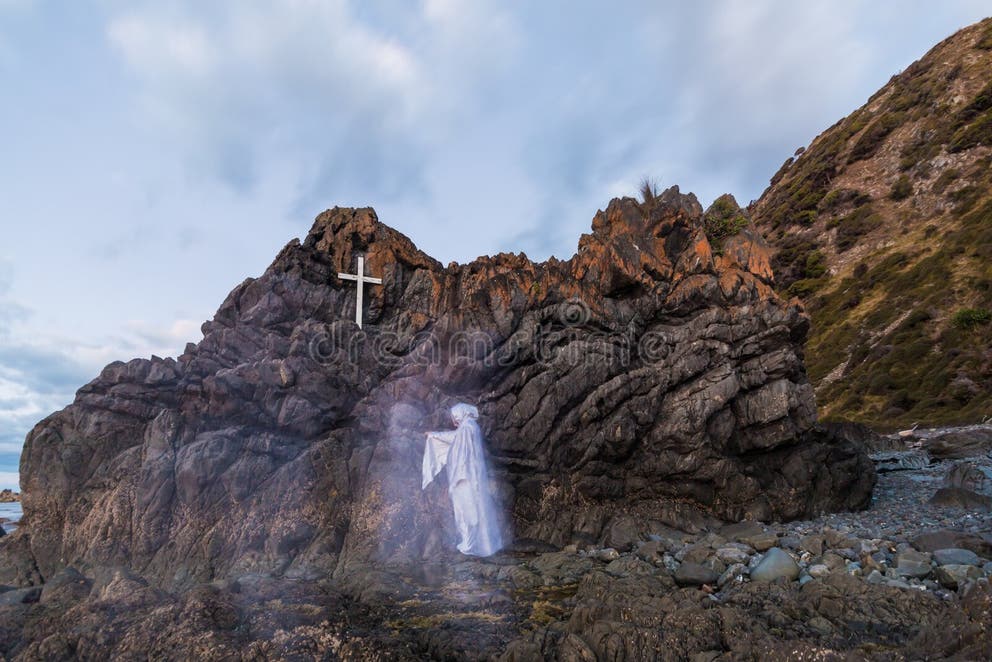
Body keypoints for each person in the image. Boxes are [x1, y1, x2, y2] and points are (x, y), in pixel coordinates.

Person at [422, 403, 503, 556]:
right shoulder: (470, 426)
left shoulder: (467, 428)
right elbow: (454, 438)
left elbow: (460, 452)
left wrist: (456, 477)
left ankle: (470, 545)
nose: (454, 421)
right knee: (474, 509)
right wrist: (433, 435)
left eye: (454, 417)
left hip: (465, 477)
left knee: (467, 511)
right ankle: (481, 544)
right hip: (472, 476)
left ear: (460, 414)